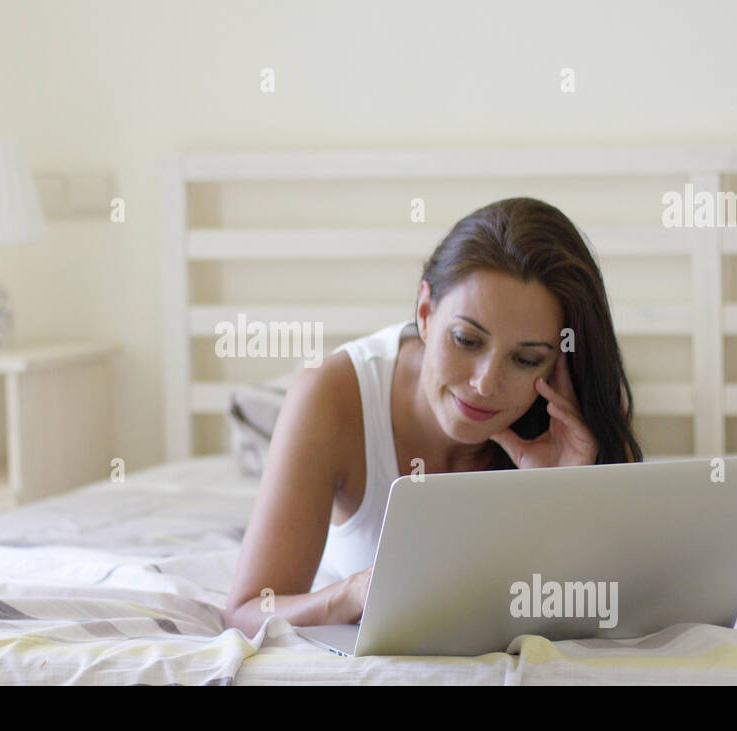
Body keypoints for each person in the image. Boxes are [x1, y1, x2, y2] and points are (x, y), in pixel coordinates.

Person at [223, 197, 643, 638]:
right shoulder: (331, 396)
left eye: (525, 359)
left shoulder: (576, 430)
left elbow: (626, 606)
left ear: (557, 365)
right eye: (466, 340)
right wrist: (357, 593)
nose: (485, 383)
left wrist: (561, 494)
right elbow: (248, 610)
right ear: (425, 313)